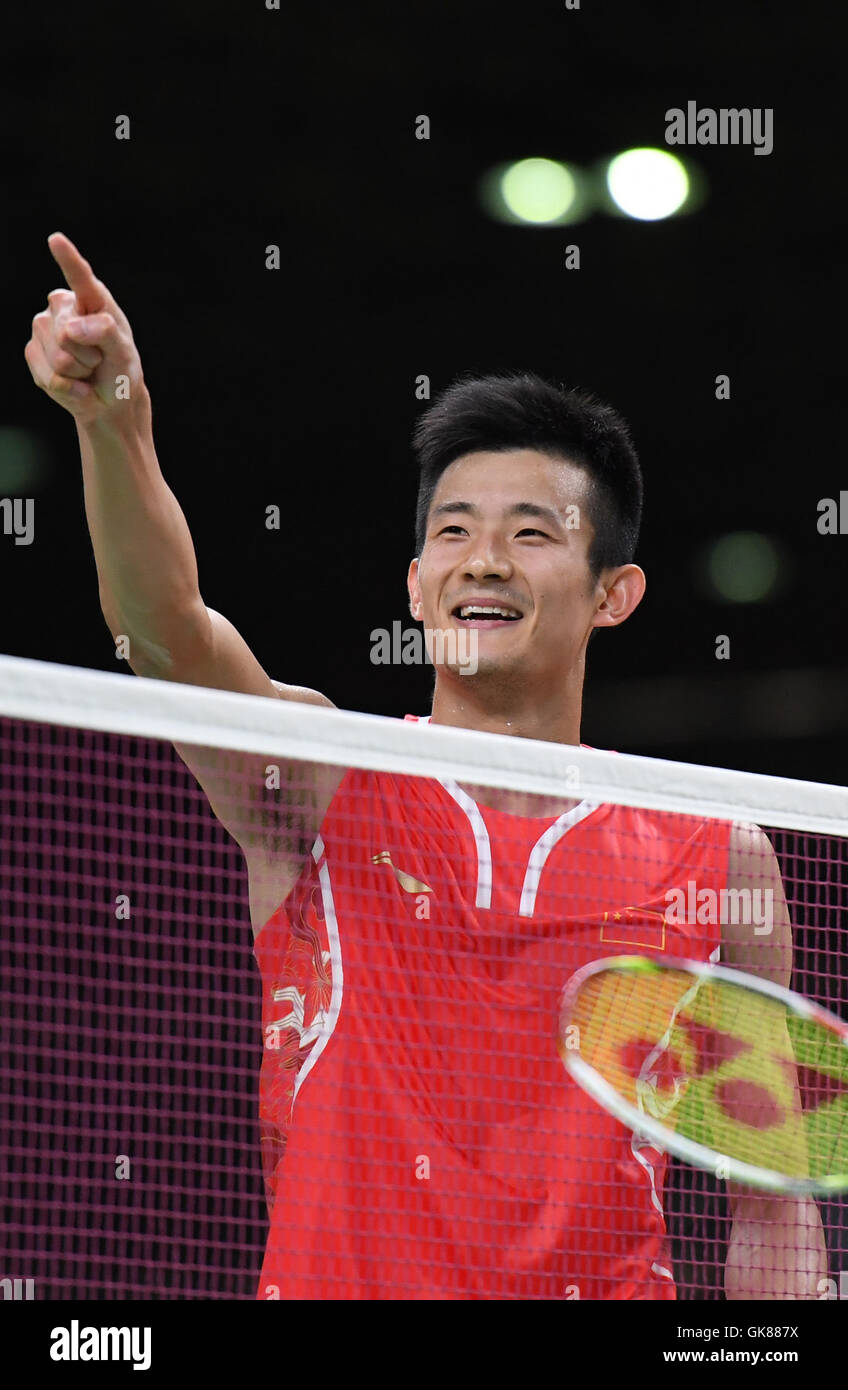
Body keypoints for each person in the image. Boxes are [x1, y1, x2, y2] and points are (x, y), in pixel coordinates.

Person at [25, 232, 826, 1299]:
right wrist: (112, 419)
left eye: (530, 532)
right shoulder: (316, 777)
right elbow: (165, 629)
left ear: (612, 593)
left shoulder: (717, 848)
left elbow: (768, 1194)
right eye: (452, 531)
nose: (483, 559)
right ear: (415, 585)